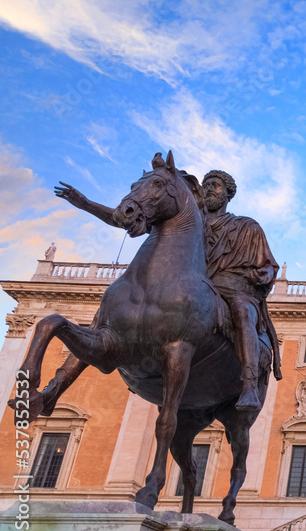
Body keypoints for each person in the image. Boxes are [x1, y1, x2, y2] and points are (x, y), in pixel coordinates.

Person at [54, 167, 281, 412]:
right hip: (188, 287)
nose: (209, 189)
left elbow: (267, 263)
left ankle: (248, 383)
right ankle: (54, 388)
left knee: (243, 311)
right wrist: (86, 204)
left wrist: (265, 273)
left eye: (215, 185)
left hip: (231, 287)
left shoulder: (247, 226)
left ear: (228, 194)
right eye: (206, 184)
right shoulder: (186, 219)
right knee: (108, 316)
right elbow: (126, 218)